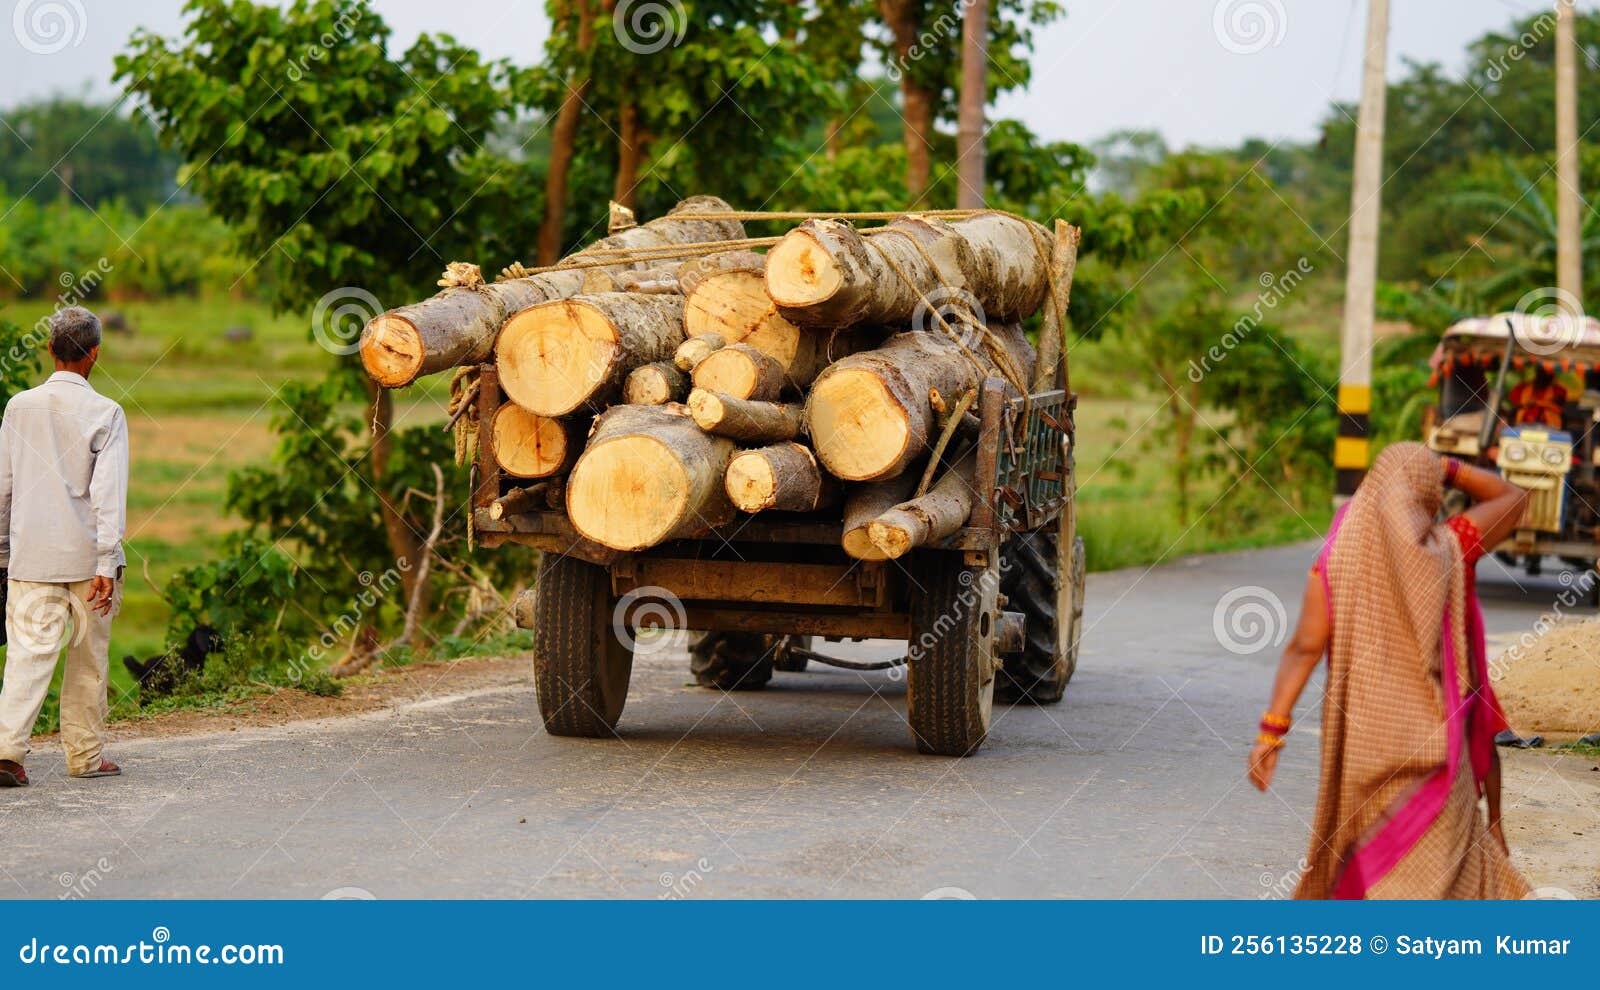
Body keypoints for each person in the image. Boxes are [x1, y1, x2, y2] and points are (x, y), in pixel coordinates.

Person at [1247, 442, 1530, 899]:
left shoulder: (1333, 565)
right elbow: (1514, 499)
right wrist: (1446, 467)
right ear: (1428, 497)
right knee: (1443, 879)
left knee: (1374, 870)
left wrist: (1270, 731)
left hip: (1364, 749)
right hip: (1439, 750)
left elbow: (1304, 648)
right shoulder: (1453, 546)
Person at [0, 307, 128, 787]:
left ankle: (7, 753)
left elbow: (3, 489)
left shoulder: (19, 406)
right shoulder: (106, 413)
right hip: (88, 561)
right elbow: (108, 495)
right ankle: (85, 757)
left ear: (50, 349)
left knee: (27, 654)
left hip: (30, 556)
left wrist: (1, 555)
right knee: (88, 659)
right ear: (95, 353)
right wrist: (104, 561)